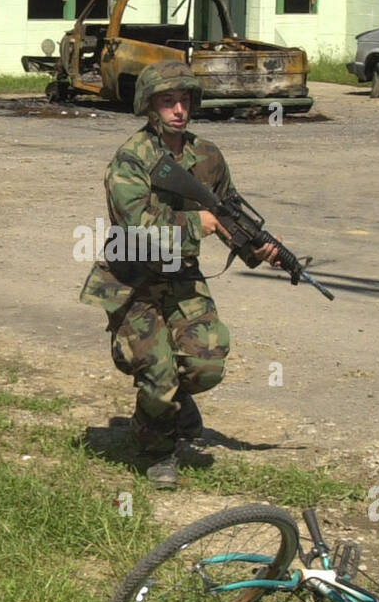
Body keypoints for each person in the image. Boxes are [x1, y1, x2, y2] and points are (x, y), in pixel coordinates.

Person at [79, 60, 277, 489]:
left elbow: (227, 213)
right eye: (168, 101)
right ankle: (157, 451)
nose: (178, 109)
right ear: (149, 106)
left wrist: (258, 248)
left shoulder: (206, 155)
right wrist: (195, 225)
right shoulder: (131, 159)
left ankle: (174, 404)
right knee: (156, 370)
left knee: (206, 363)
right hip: (132, 278)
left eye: (184, 100)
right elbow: (136, 225)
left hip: (180, 274)